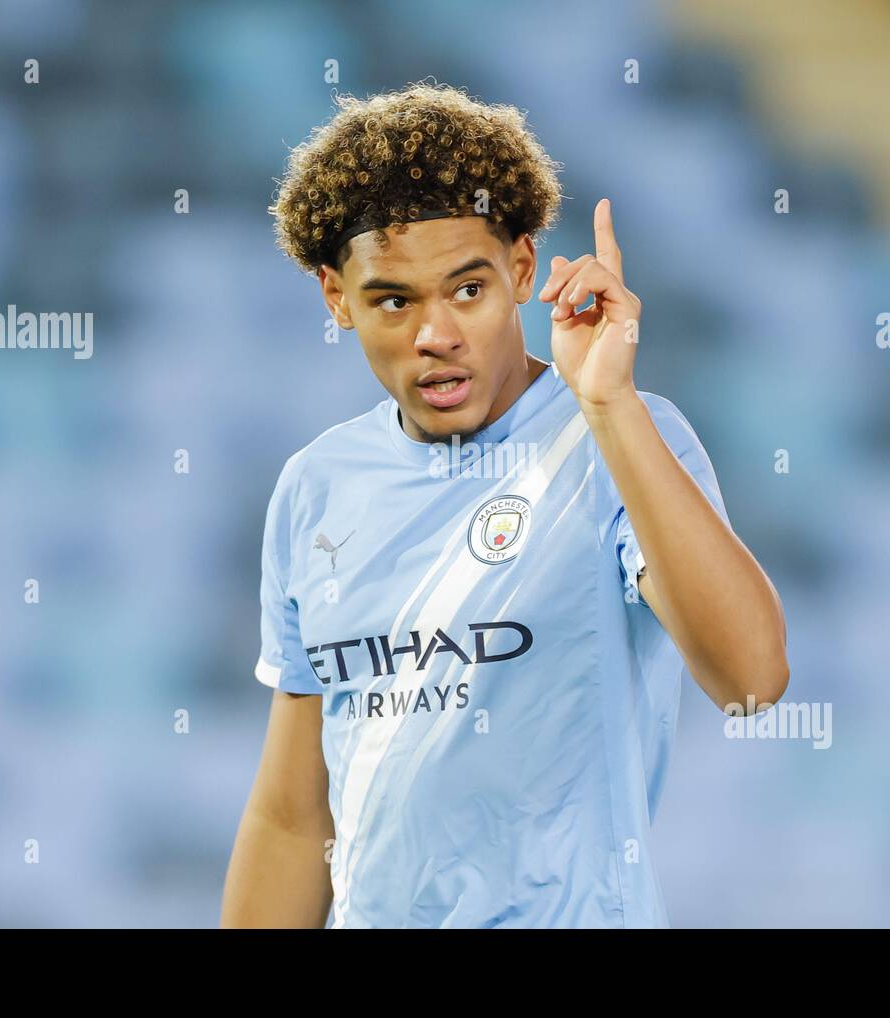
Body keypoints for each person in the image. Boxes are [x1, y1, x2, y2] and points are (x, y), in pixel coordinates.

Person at [221, 82, 788, 929]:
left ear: (523, 270)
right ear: (336, 299)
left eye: (467, 289)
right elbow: (295, 818)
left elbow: (752, 681)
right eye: (392, 300)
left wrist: (608, 407)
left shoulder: (620, 435)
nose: (435, 333)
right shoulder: (316, 486)